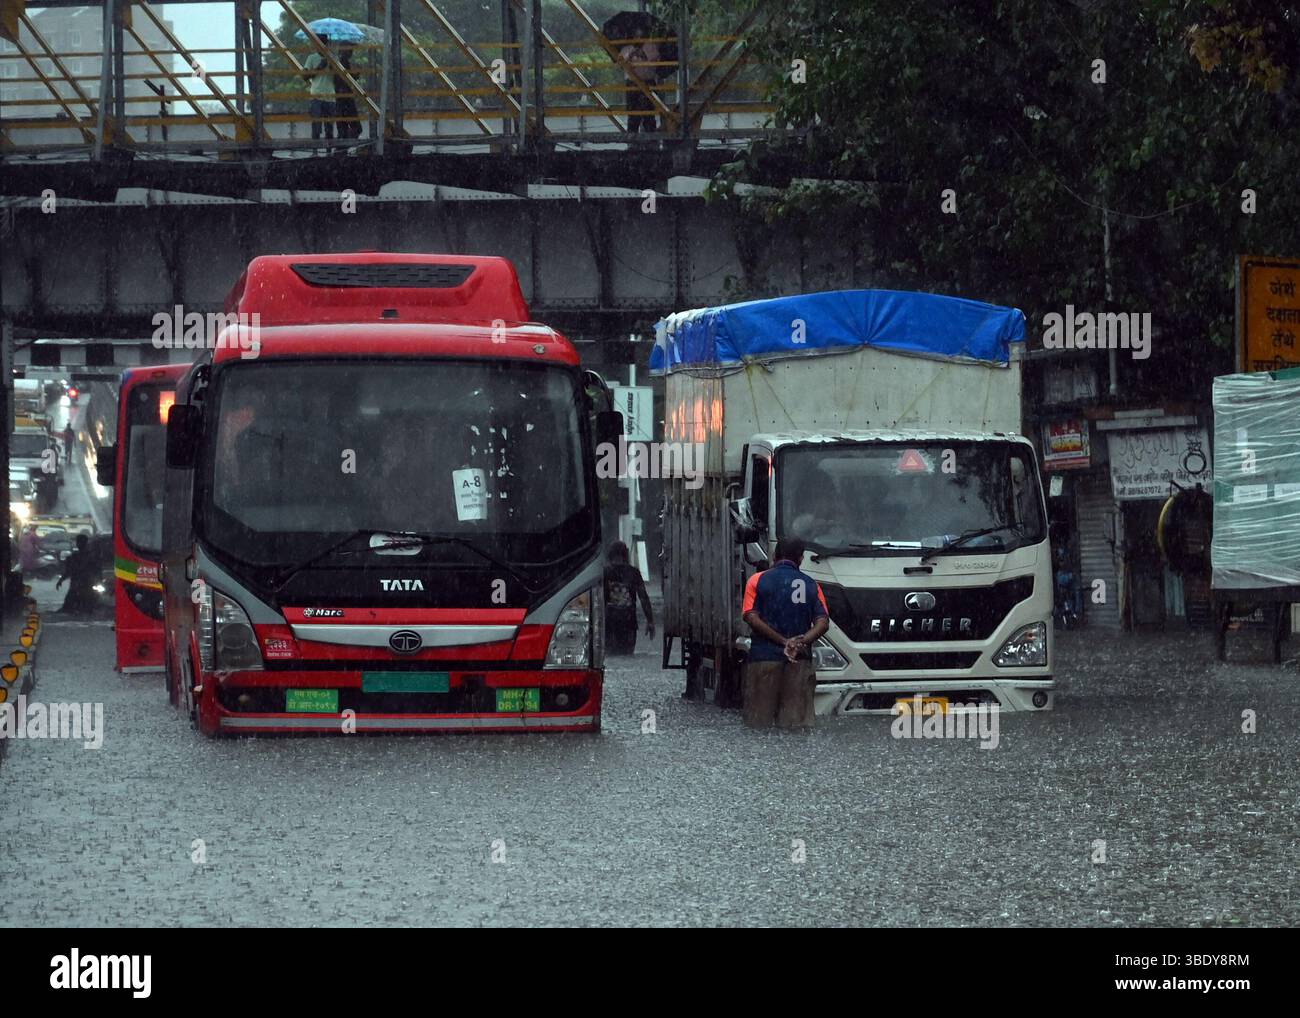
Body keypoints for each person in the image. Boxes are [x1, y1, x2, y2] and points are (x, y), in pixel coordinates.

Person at [740, 535, 829, 730]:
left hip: (764, 660)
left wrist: (783, 641)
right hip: (799, 662)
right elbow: (823, 623)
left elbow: (750, 616)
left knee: (758, 726)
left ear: (774, 555)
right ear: (801, 558)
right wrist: (800, 642)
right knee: (797, 726)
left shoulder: (757, 580)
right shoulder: (812, 584)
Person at [603, 540, 653, 655]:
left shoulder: (604, 572)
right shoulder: (633, 572)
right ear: (626, 554)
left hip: (610, 622)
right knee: (627, 655)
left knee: (611, 656)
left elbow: (597, 599)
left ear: (610, 554)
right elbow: (643, 597)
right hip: (629, 622)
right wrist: (650, 621)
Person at [303, 40, 338, 151]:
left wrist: (332, 65)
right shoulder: (311, 58)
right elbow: (304, 76)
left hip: (330, 96)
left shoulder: (334, 58)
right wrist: (319, 67)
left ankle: (328, 151)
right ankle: (315, 151)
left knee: (329, 128)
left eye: (324, 44)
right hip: (316, 96)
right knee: (316, 126)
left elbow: (339, 78)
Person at [56, 533, 99, 614]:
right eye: (78, 542)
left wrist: (61, 580)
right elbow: (69, 570)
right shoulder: (76, 556)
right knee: (72, 607)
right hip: (80, 586)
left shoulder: (89, 557)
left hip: (83, 586)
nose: (78, 544)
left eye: (79, 542)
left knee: (72, 607)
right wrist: (61, 580)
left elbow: (69, 571)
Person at [333, 45, 361, 142]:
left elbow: (347, 78)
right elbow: (346, 79)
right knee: (355, 128)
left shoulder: (341, 63)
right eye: (350, 51)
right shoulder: (341, 63)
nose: (351, 53)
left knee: (344, 127)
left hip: (342, 99)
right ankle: (342, 143)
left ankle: (342, 143)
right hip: (345, 99)